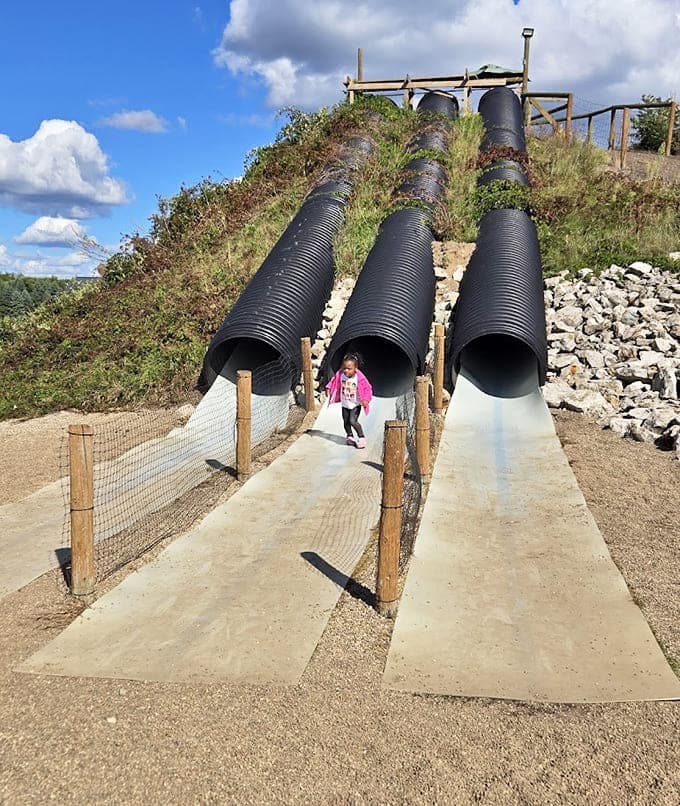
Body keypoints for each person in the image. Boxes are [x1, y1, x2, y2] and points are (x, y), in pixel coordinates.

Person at [325, 353, 373, 448]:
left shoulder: (359, 377)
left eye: (349, 368)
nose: (346, 370)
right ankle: (350, 436)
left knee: (353, 421)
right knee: (346, 421)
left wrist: (366, 399)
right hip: (345, 403)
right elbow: (333, 381)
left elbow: (368, 388)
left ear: (355, 368)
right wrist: (328, 388)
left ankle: (361, 437)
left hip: (355, 404)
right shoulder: (340, 374)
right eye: (344, 368)